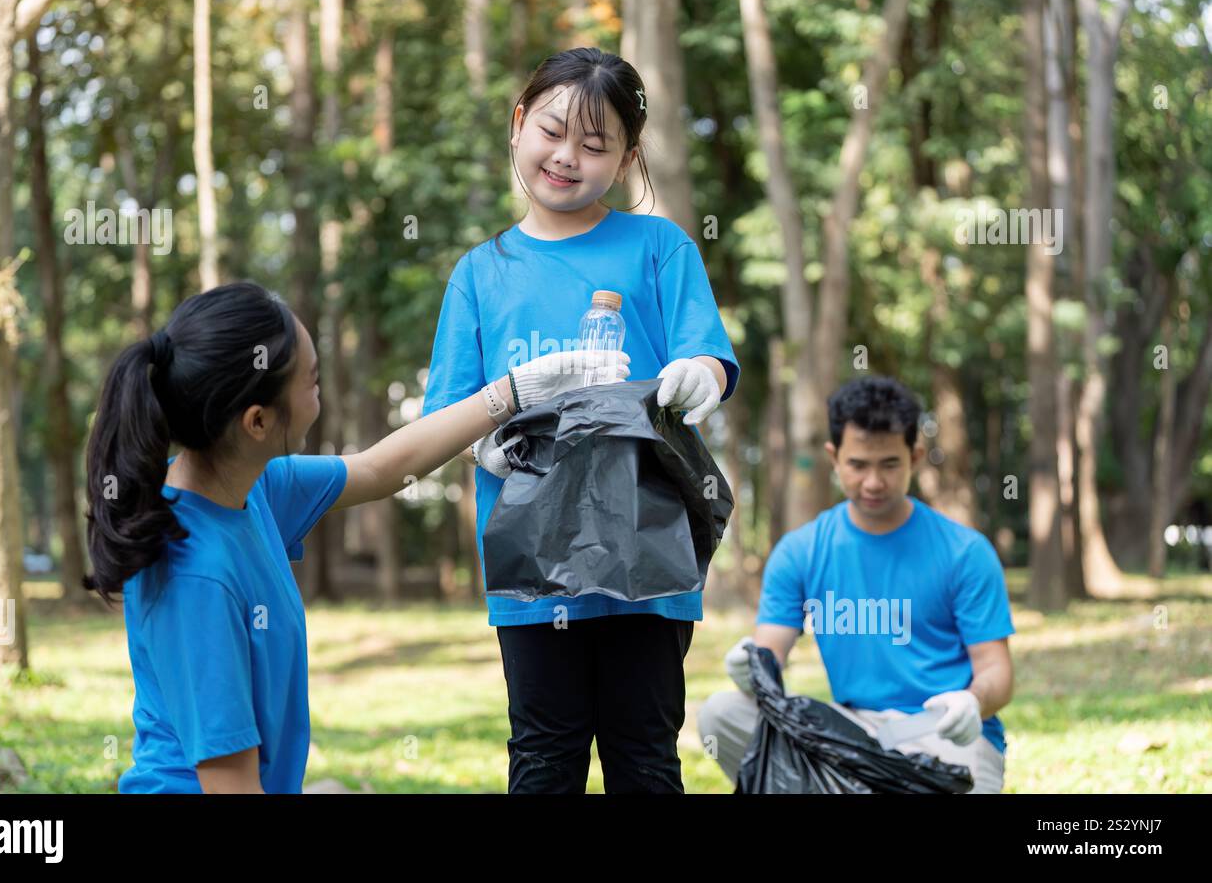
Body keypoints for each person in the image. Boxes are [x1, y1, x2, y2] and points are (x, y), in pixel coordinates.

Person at [84, 281, 627, 792]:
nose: (321, 385)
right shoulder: (197, 576)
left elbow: (381, 469)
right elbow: (230, 784)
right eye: (312, 380)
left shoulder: (253, 487)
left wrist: (511, 393)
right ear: (257, 422)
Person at [421, 47, 741, 793]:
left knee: (644, 752)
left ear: (628, 157)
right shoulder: (480, 272)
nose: (567, 157)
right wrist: (485, 448)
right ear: (518, 123)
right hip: (532, 562)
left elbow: (710, 357)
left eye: (595, 146)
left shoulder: (660, 248)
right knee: (543, 754)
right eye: (554, 131)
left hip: (648, 554)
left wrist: (703, 374)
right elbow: (447, 412)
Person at [697, 376, 1015, 793]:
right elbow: (769, 652)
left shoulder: (964, 552)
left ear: (915, 457)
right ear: (834, 457)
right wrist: (751, 665)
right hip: (853, 733)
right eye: (858, 465)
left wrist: (973, 702)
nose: (873, 482)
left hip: (942, 732)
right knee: (722, 713)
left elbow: (997, 670)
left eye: (889, 464)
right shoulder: (801, 551)